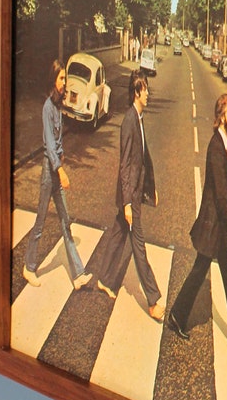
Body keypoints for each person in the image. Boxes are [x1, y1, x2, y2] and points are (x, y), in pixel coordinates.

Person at [168, 93, 227, 355]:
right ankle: (177, 315)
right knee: (199, 272)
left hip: (217, 226)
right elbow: (221, 200)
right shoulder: (216, 148)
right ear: (221, 117)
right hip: (214, 225)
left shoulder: (222, 144)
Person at [95, 70, 164, 320]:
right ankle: (153, 299)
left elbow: (143, 158)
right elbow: (125, 164)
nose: (148, 93)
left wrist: (151, 188)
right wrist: (126, 202)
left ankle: (104, 278)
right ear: (136, 92)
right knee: (139, 246)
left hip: (136, 190)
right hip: (130, 195)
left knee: (117, 233)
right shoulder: (128, 121)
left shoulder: (139, 118)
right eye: (145, 89)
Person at [23, 59, 92, 291]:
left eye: (65, 78)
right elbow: (50, 145)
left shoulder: (58, 105)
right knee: (41, 222)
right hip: (48, 172)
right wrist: (60, 169)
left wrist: (62, 158)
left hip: (55, 167)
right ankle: (29, 266)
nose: (65, 82)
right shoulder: (47, 108)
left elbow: (58, 142)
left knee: (65, 221)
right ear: (54, 79)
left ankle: (78, 273)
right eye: (62, 78)